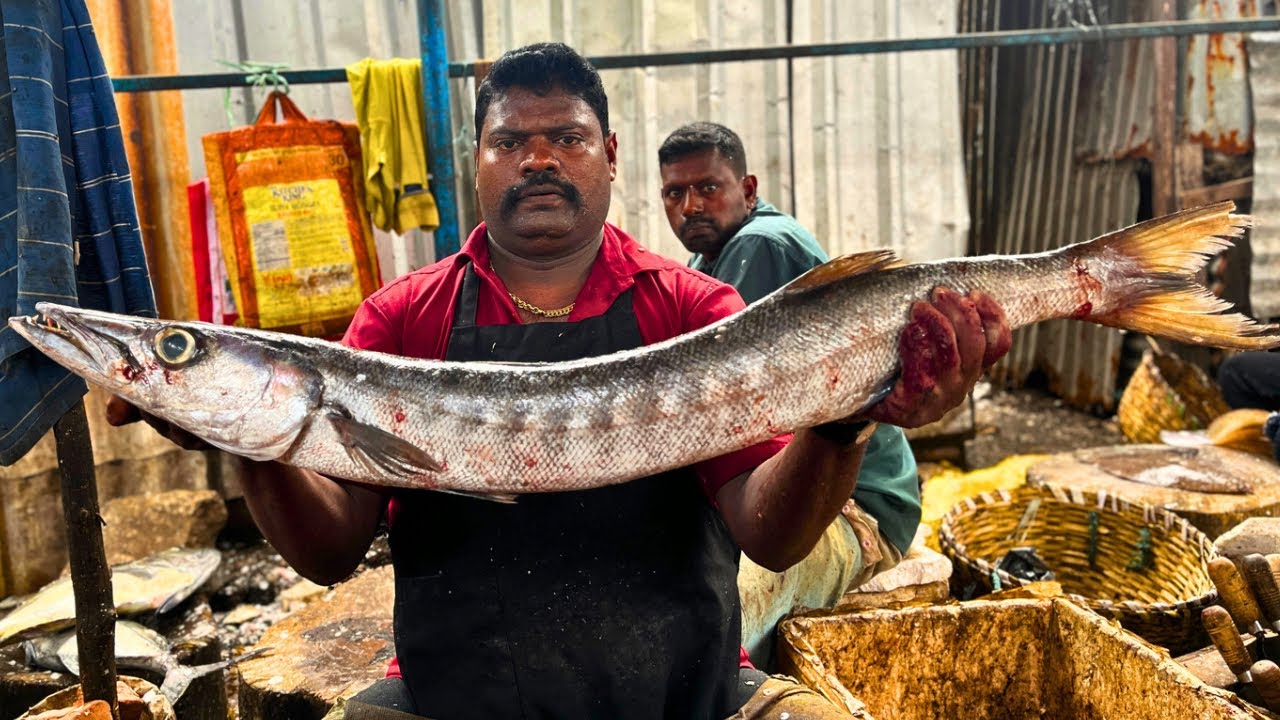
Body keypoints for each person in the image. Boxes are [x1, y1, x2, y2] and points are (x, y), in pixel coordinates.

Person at [109, 43, 1010, 720]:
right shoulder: (402, 320)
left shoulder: (699, 306)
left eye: (566, 138)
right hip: (450, 698)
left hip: (684, 694)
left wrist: (842, 424)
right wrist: (249, 449)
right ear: (477, 158)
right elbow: (331, 552)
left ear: (610, 155)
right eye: (511, 141)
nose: (539, 159)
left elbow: (770, 538)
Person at [658, 121, 921, 668]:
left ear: (748, 190)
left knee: (714, 612)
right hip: (801, 489)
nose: (690, 206)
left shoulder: (761, 245)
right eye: (674, 192)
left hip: (854, 504)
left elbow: (723, 409)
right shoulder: (705, 264)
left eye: (708, 187)